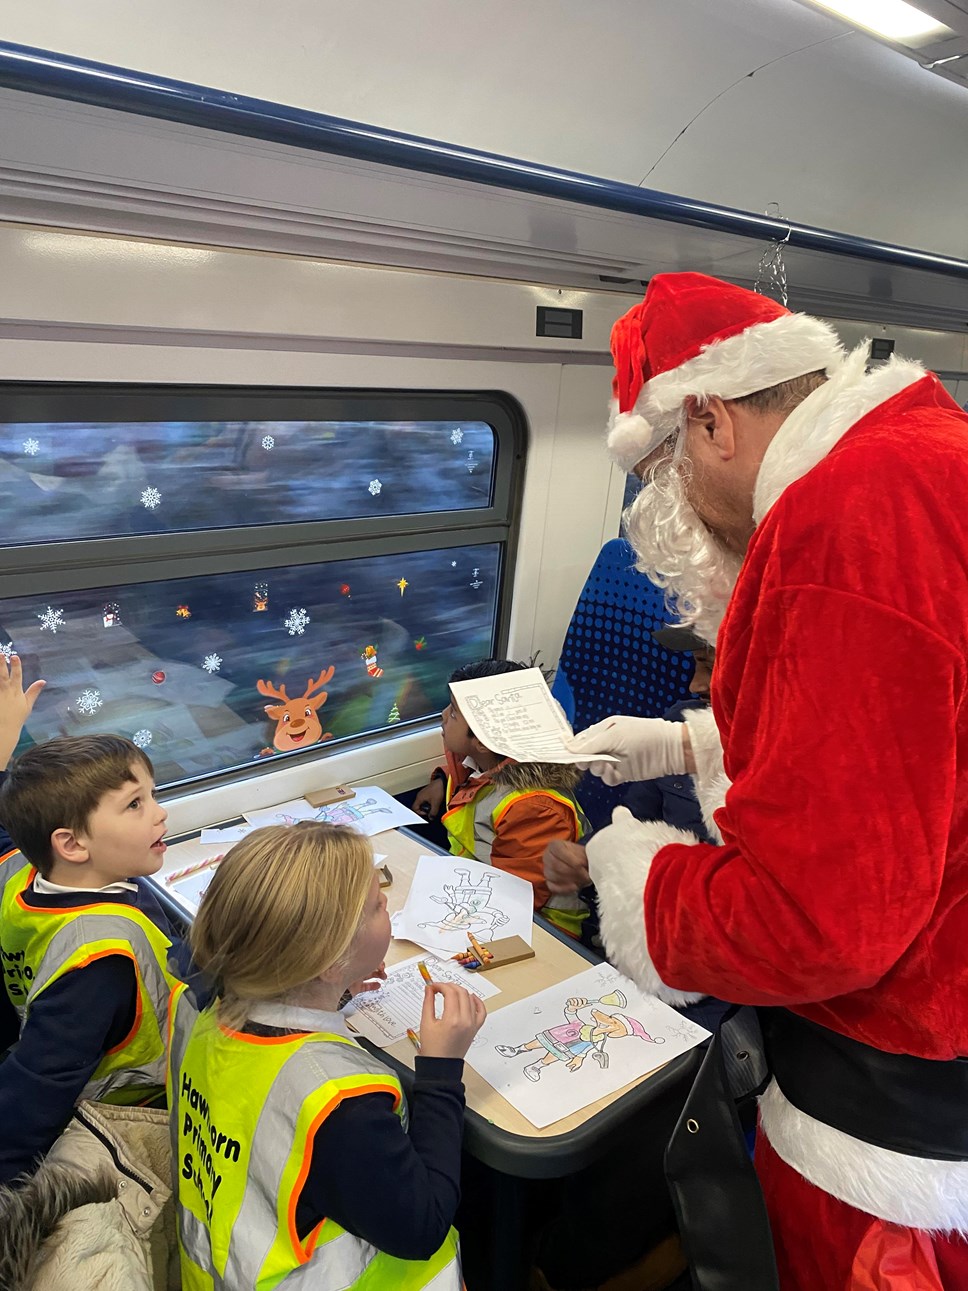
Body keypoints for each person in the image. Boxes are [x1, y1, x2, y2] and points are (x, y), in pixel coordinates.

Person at [552, 272, 968, 1289]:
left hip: (890, 1121)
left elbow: (816, 919)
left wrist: (629, 871)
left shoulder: (837, 525)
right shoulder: (928, 456)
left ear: (707, 418)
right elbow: (912, 743)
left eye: (663, 471)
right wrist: (685, 744)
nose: (673, 504)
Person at [168, 821, 484, 1289]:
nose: (388, 907)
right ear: (328, 959)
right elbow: (422, 1226)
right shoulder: (338, 1104)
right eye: (379, 905)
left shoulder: (197, 1009)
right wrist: (441, 1071)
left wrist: (334, 990)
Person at [0, 653, 182, 1184]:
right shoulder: (98, 966)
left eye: (152, 795)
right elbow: (36, 1084)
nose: (160, 812)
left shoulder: (21, 869)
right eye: (134, 805)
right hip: (134, 1112)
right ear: (72, 844)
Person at [412, 658, 590, 936]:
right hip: (472, 890)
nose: (444, 715)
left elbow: (517, 898)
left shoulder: (536, 809)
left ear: (483, 740)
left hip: (538, 928)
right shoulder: (482, 763)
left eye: (455, 712)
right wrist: (442, 779)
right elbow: (478, 785)